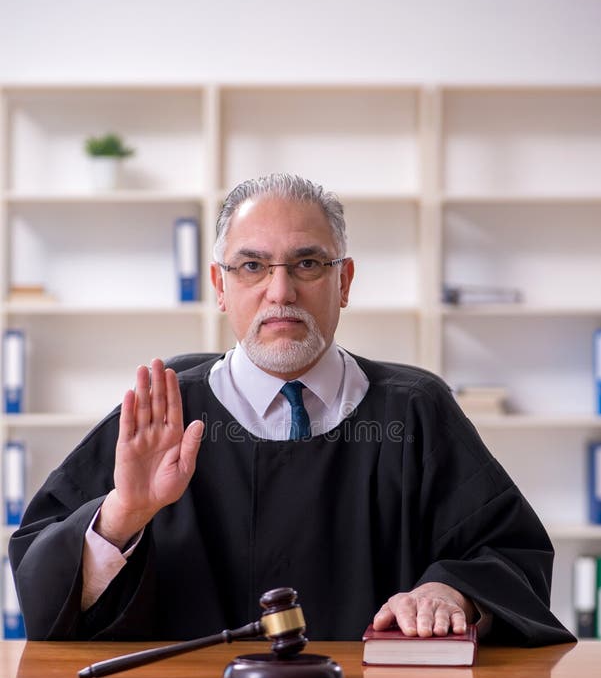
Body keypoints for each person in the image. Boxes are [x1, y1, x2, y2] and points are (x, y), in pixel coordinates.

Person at [10, 173, 573, 645]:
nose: (281, 292)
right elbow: (42, 588)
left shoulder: (415, 411)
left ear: (344, 281)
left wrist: (449, 591)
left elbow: (510, 552)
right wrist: (123, 516)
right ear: (220, 286)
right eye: (252, 266)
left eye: (307, 264)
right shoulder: (165, 412)